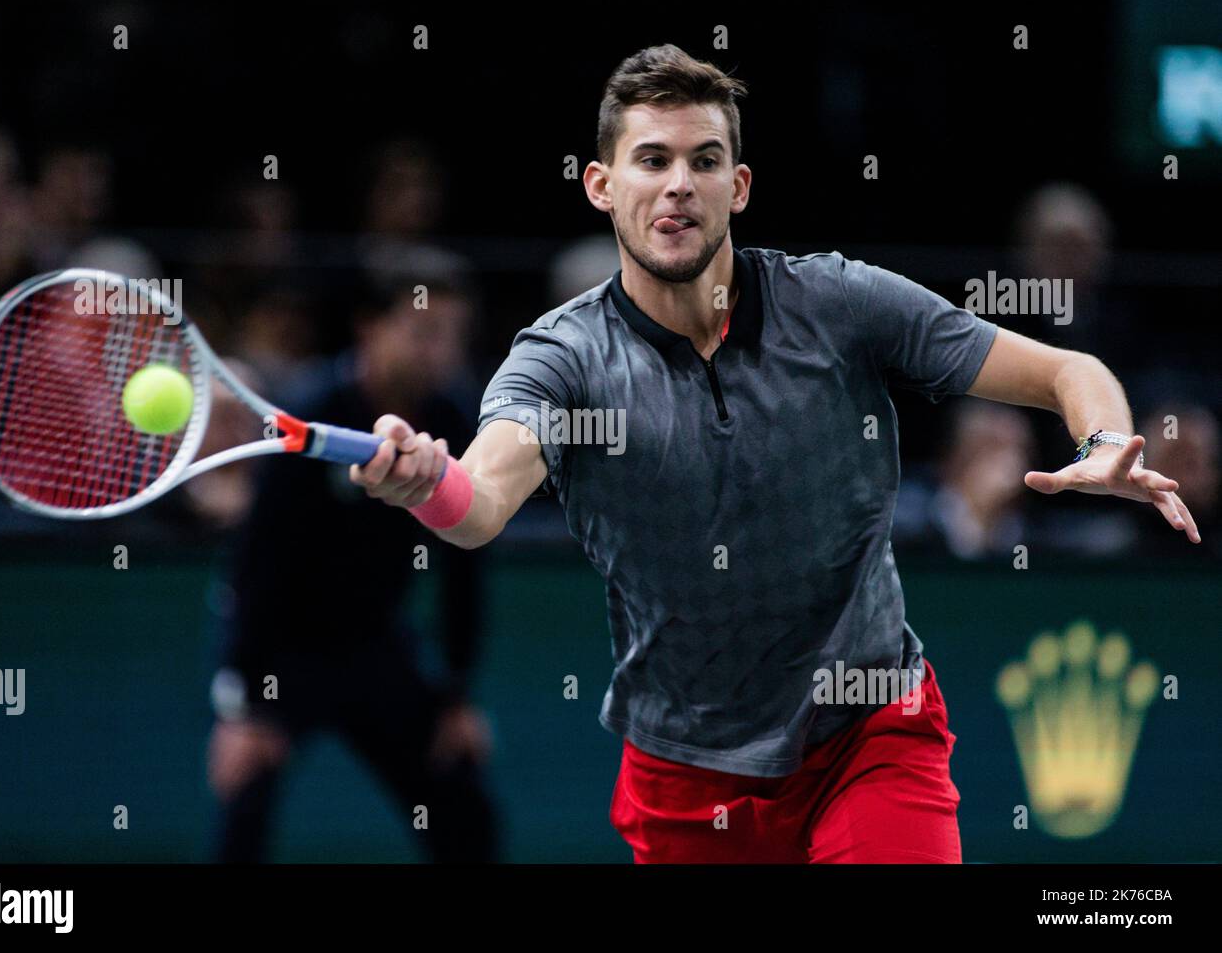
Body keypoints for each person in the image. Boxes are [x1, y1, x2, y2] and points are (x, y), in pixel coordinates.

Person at [347, 45, 1200, 863]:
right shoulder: (561, 359)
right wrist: (427, 482)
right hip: (685, 775)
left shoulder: (839, 303)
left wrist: (1102, 442)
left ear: (738, 185)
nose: (678, 183)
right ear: (601, 186)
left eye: (704, 160)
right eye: (651, 160)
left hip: (870, 734)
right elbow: (482, 500)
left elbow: (1068, 369)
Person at [206, 255, 498, 862]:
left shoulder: (451, 419)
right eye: (422, 331)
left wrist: (458, 697)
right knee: (244, 807)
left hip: (377, 648)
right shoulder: (313, 405)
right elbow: (256, 568)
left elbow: (464, 565)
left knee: (465, 810)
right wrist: (242, 709)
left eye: (451, 336)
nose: (438, 351)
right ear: (370, 326)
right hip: (285, 654)